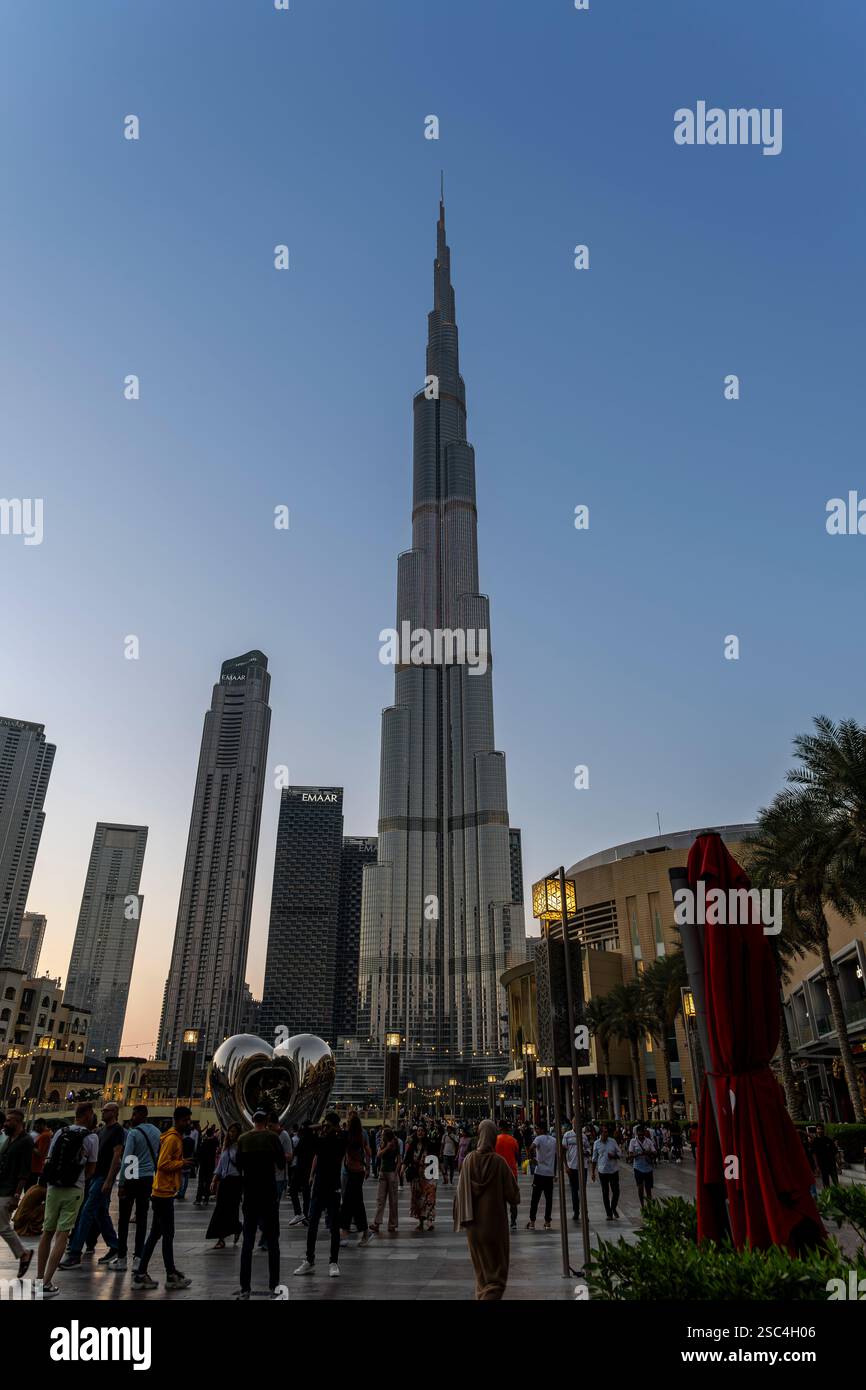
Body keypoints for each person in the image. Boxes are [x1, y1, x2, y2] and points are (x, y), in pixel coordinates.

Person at [454, 1118, 520, 1301]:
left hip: (473, 1227)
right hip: (494, 1227)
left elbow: (460, 1193)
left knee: (482, 1277)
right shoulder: (499, 1163)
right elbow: (514, 1196)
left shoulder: (468, 1160)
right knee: (496, 1279)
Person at [37, 1102, 99, 1297]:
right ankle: (47, 1283)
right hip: (74, 1189)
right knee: (62, 1234)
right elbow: (91, 1168)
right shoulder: (91, 1137)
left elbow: (49, 1160)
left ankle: (39, 1279)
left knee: (47, 1232)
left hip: (54, 1187)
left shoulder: (60, 1132)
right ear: (88, 1114)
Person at [132, 1106, 193, 1291]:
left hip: (162, 1192)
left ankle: (141, 1274)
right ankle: (170, 1275)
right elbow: (162, 1164)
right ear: (177, 1120)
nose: (188, 1123)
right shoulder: (172, 1139)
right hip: (163, 1194)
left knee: (156, 1235)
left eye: (189, 1120)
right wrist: (182, 1163)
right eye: (185, 1120)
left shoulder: (173, 1137)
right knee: (167, 1235)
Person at [60, 1101, 124, 1268]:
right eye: (102, 1110)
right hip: (94, 1177)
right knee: (100, 1213)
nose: (103, 1112)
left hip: (103, 1178)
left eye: (106, 1110)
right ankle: (115, 1246)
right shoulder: (101, 1130)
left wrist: (110, 1180)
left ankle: (75, 1253)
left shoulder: (118, 1131)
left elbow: (117, 1157)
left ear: (115, 1112)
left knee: (88, 1211)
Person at [235, 1110, 285, 1298]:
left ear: (252, 1121)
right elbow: (281, 1163)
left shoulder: (243, 1139)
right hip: (269, 1193)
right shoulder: (273, 1137)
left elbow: (238, 1165)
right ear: (266, 1121)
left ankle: (245, 1288)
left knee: (247, 1242)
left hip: (250, 1194)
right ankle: (274, 1286)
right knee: (273, 1242)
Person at [294, 1111, 347, 1277]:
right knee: (313, 1226)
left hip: (333, 1189)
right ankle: (309, 1260)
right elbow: (303, 1136)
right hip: (318, 1188)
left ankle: (333, 1262)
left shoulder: (339, 1141)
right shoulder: (320, 1141)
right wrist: (318, 1126)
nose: (325, 1128)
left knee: (334, 1227)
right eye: (325, 1125)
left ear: (336, 1126)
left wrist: (334, 1128)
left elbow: (346, 1135)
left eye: (328, 1125)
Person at [114, 1105, 162, 1272]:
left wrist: (122, 1183)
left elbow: (128, 1158)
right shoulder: (157, 1132)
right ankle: (138, 1258)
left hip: (133, 1175)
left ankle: (121, 1258)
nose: (132, 1117)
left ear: (141, 1115)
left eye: (134, 1114)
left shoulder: (133, 1133)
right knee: (142, 1219)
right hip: (148, 1177)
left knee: (124, 1219)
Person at [0, 1108, 35, 1279]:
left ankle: (23, 1254)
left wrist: (16, 1195)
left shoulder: (26, 1141)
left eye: (9, 1120)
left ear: (19, 1122)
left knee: (3, 1226)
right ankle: (23, 1254)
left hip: (8, 1191)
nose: (6, 1123)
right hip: (1, 1187)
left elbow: (24, 1170)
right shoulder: (9, 1139)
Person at [206, 1123, 243, 1249]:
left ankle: (237, 1227)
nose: (231, 1133)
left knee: (232, 1209)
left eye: (234, 1131)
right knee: (220, 1209)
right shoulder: (225, 1147)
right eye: (230, 1131)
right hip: (224, 1181)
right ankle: (221, 1239)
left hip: (236, 1181)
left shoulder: (240, 1147)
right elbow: (220, 1165)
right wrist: (214, 1180)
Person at [339, 1111, 371, 1245]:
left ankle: (345, 1231)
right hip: (358, 1172)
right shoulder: (360, 1135)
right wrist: (368, 1167)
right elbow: (369, 1152)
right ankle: (364, 1232)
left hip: (353, 1172)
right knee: (356, 1202)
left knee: (348, 1201)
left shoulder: (349, 1136)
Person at [404, 1124, 438, 1231]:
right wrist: (401, 1169)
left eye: (422, 1130)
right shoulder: (412, 1145)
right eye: (418, 1130)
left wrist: (443, 1173)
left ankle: (429, 1221)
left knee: (430, 1197)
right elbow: (407, 1159)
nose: (420, 1132)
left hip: (429, 1174)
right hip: (417, 1176)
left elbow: (436, 1158)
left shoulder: (430, 1144)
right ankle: (421, 1222)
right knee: (418, 1199)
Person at [526, 1121, 556, 1230]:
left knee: (535, 1198)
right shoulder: (554, 1140)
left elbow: (530, 1148)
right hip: (549, 1174)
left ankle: (532, 1222)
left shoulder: (538, 1139)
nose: (536, 1131)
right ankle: (547, 1222)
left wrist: (532, 1159)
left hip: (539, 1173)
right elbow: (559, 1153)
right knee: (549, 1199)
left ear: (542, 1130)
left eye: (537, 1128)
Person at [370, 1125, 401, 1234]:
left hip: (391, 1173)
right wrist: (387, 1147)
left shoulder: (396, 1144)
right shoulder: (383, 1144)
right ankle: (377, 1223)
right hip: (382, 1173)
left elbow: (399, 1160)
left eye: (383, 1134)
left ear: (387, 1135)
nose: (381, 1135)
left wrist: (396, 1172)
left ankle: (392, 1224)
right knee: (380, 1199)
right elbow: (378, 1155)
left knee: (393, 1201)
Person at [591, 1122, 622, 1220]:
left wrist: (613, 1156)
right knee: (605, 1193)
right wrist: (592, 1172)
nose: (606, 1134)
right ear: (600, 1133)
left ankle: (613, 1208)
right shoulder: (596, 1144)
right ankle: (609, 1213)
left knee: (616, 1191)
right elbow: (594, 1159)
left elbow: (620, 1153)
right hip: (603, 1171)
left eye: (607, 1132)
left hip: (613, 1170)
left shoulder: (612, 1141)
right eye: (604, 1132)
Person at [561, 1119, 590, 1223]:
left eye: (578, 1123)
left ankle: (585, 1213)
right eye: (574, 1123)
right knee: (574, 1191)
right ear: (572, 1124)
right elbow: (563, 1152)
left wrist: (585, 1152)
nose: (576, 1124)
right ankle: (576, 1212)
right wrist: (566, 1166)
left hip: (583, 1167)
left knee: (582, 1191)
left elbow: (588, 1150)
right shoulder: (567, 1135)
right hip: (572, 1167)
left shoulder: (584, 1136)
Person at [494, 1120, 520, 1231]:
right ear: (508, 1128)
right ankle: (513, 1222)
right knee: (513, 1199)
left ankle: (500, 1221)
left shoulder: (495, 1140)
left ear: (499, 1128)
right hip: (512, 1173)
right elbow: (517, 1156)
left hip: (498, 1173)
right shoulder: (513, 1140)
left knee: (499, 1199)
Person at [288, 1120, 314, 1226]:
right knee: (306, 1193)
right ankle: (305, 1215)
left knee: (293, 1190)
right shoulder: (314, 1139)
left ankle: (299, 1213)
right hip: (309, 1170)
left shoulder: (303, 1139)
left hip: (300, 1169)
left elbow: (296, 1152)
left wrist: (290, 1161)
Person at [629, 1123, 657, 1208]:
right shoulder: (633, 1141)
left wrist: (649, 1152)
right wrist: (636, 1154)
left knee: (648, 1189)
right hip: (638, 1167)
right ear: (636, 1133)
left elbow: (655, 1152)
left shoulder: (648, 1141)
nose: (641, 1136)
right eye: (639, 1134)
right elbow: (630, 1155)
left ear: (644, 1133)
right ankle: (642, 1205)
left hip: (648, 1168)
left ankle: (649, 1206)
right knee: (640, 1188)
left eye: (642, 1134)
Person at [194, 1125, 219, 1207]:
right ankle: (206, 1199)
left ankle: (198, 1199)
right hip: (211, 1165)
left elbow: (199, 1154)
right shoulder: (215, 1142)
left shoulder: (204, 1143)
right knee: (208, 1182)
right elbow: (216, 1140)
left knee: (201, 1182)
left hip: (203, 1165)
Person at [27, 1118, 52, 1190]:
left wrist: (31, 1146)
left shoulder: (45, 1135)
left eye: (38, 1126)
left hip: (35, 1167)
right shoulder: (45, 1134)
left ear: (43, 1125)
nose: (36, 1128)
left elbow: (40, 1153)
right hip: (36, 1166)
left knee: (29, 1189)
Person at [811, 1124, 838, 1190]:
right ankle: (827, 1194)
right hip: (822, 1165)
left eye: (821, 1129)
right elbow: (814, 1154)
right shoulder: (815, 1141)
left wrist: (838, 1164)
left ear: (824, 1130)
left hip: (831, 1163)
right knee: (826, 1182)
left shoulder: (828, 1140)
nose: (820, 1130)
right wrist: (817, 1166)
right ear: (816, 1130)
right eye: (818, 1129)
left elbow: (834, 1152)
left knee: (836, 1181)